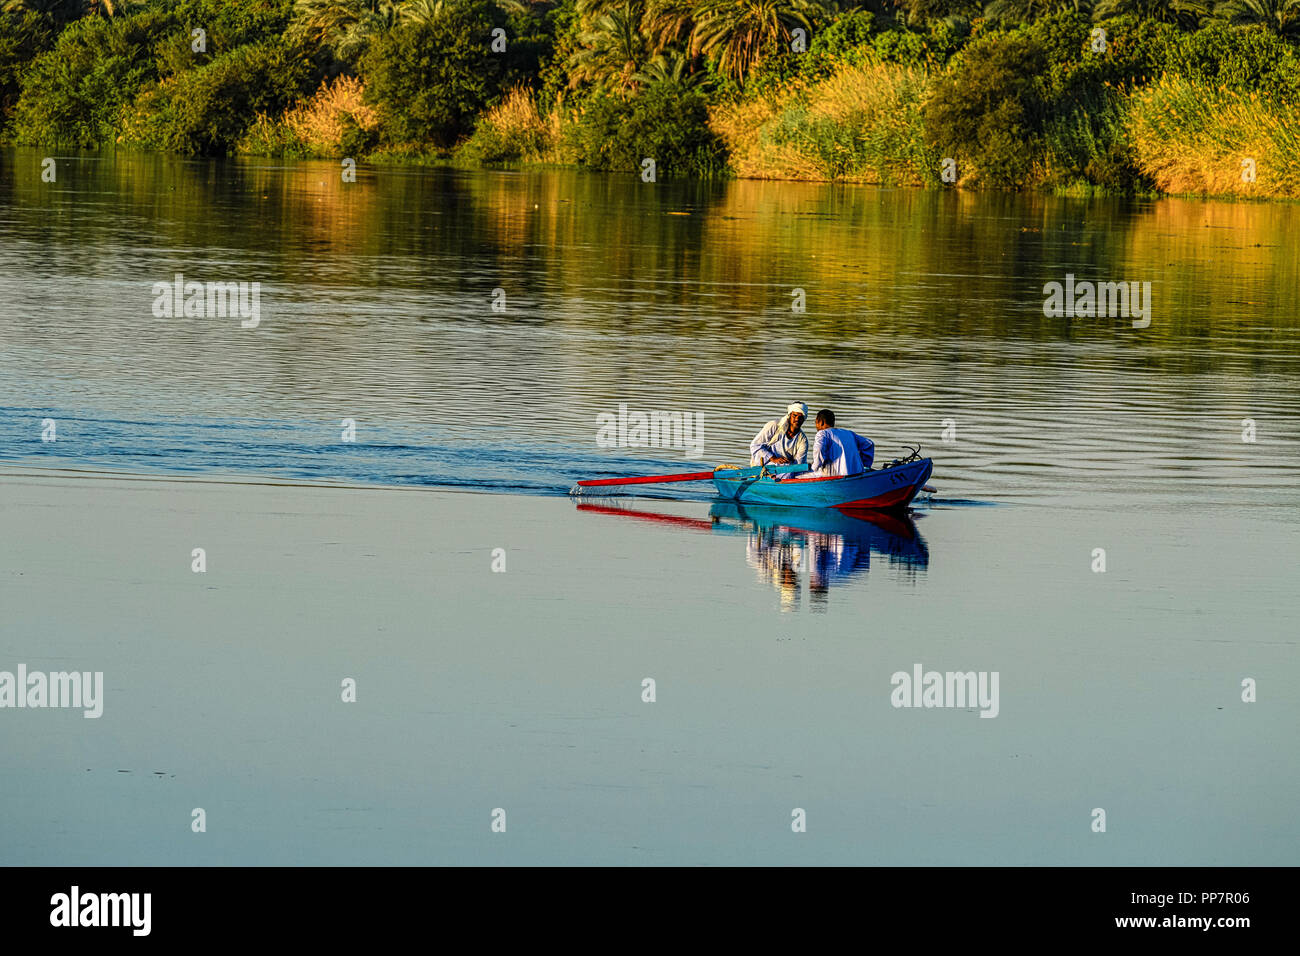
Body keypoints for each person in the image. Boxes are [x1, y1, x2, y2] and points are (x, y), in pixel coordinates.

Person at [810, 409, 875, 476]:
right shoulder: (849, 433)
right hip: (857, 474)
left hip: (836, 477)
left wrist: (814, 467)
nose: (816, 426)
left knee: (800, 475)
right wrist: (865, 466)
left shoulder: (822, 433)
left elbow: (818, 450)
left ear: (821, 422)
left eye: (816, 423)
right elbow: (869, 444)